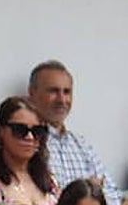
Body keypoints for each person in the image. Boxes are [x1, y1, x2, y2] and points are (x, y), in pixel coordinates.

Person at [28, 61, 105, 189]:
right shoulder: (23, 142)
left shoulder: (82, 145)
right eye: (53, 91)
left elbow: (112, 195)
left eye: (67, 92)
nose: (62, 100)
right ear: (32, 93)